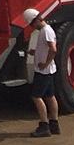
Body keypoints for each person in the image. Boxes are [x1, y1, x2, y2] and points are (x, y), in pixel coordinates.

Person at [23, 7, 61, 137]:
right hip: (48, 70)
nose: (32, 27)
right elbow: (47, 48)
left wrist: (45, 63)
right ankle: (54, 124)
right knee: (50, 96)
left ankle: (44, 125)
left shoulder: (45, 31)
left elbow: (53, 49)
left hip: (43, 71)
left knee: (36, 96)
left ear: (37, 20)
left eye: (32, 24)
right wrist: (35, 52)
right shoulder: (46, 31)